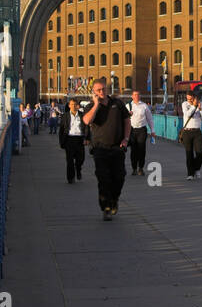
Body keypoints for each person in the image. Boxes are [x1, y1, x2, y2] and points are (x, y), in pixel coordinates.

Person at [85, 78, 130, 221]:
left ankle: (114, 200)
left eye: (103, 89)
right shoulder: (91, 106)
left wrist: (126, 139)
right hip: (100, 149)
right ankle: (106, 208)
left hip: (117, 147)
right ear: (93, 92)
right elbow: (87, 121)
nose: (102, 92)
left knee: (119, 177)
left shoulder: (118, 104)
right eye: (98, 90)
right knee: (103, 179)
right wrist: (96, 105)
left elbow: (127, 121)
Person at [58, 97, 88, 183]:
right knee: (69, 160)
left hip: (79, 139)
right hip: (69, 139)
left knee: (80, 159)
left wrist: (86, 138)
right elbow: (61, 130)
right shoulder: (65, 116)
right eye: (71, 104)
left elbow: (86, 127)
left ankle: (78, 170)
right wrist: (61, 142)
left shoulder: (82, 115)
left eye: (75, 105)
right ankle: (70, 178)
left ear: (78, 106)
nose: (73, 106)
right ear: (69, 105)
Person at [180, 91, 202, 180]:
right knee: (189, 154)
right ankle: (190, 174)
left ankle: (196, 169)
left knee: (200, 153)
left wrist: (200, 109)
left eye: (190, 99)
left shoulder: (201, 104)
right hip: (187, 132)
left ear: (194, 97)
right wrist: (193, 106)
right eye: (187, 99)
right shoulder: (184, 104)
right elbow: (187, 114)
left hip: (197, 132)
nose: (189, 100)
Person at [127, 90, 155, 175]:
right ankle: (134, 168)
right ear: (132, 96)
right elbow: (123, 118)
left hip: (142, 130)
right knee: (133, 150)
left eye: (138, 95)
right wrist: (128, 114)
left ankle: (141, 168)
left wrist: (152, 130)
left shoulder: (144, 106)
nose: (136, 96)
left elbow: (149, 119)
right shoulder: (128, 106)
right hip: (131, 130)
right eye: (135, 95)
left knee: (142, 149)